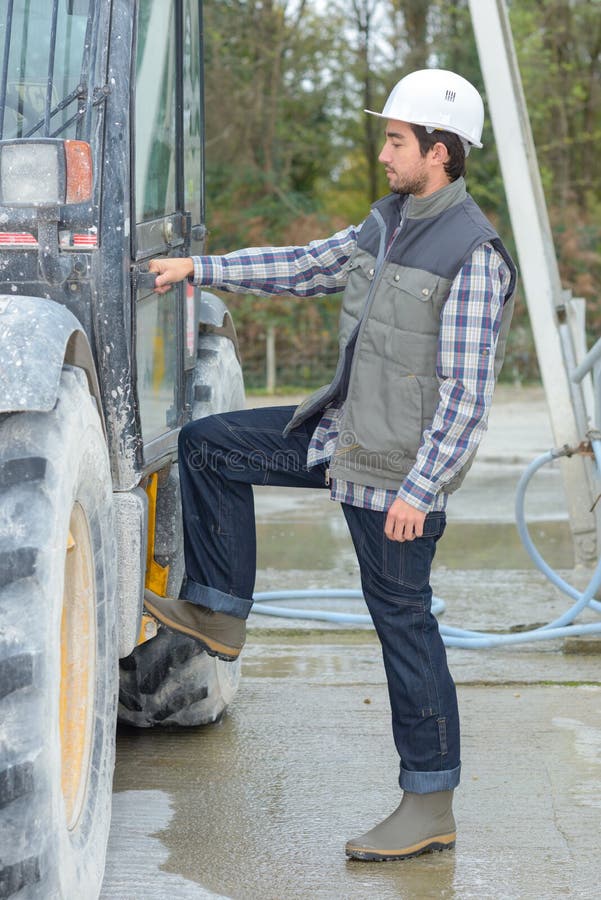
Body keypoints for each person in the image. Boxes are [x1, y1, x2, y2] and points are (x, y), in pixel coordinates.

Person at [146, 68, 517, 862]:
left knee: (403, 629)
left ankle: (429, 804)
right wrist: (200, 269)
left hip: (396, 479)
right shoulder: (385, 223)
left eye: (396, 140)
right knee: (210, 445)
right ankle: (219, 611)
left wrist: (422, 489)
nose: (383, 152)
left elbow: (465, 394)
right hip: (340, 441)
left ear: (440, 151)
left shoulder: (472, 254)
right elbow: (303, 265)